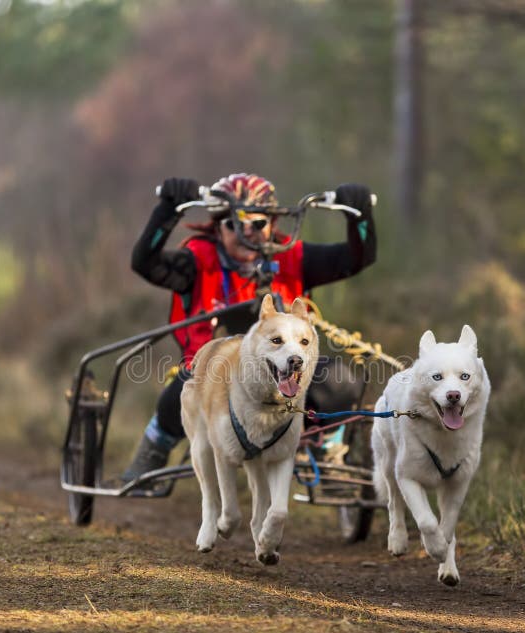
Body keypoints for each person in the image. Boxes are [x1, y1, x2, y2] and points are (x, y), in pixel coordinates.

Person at [124, 172, 377, 480]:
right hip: (213, 372)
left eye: (257, 224)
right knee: (180, 394)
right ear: (218, 227)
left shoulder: (294, 258)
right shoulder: (197, 263)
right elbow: (144, 262)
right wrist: (167, 209)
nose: (247, 233)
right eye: (234, 224)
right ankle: (153, 450)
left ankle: (331, 452)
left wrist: (360, 214)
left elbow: (357, 257)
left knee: (340, 381)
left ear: (272, 226)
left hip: (287, 374)